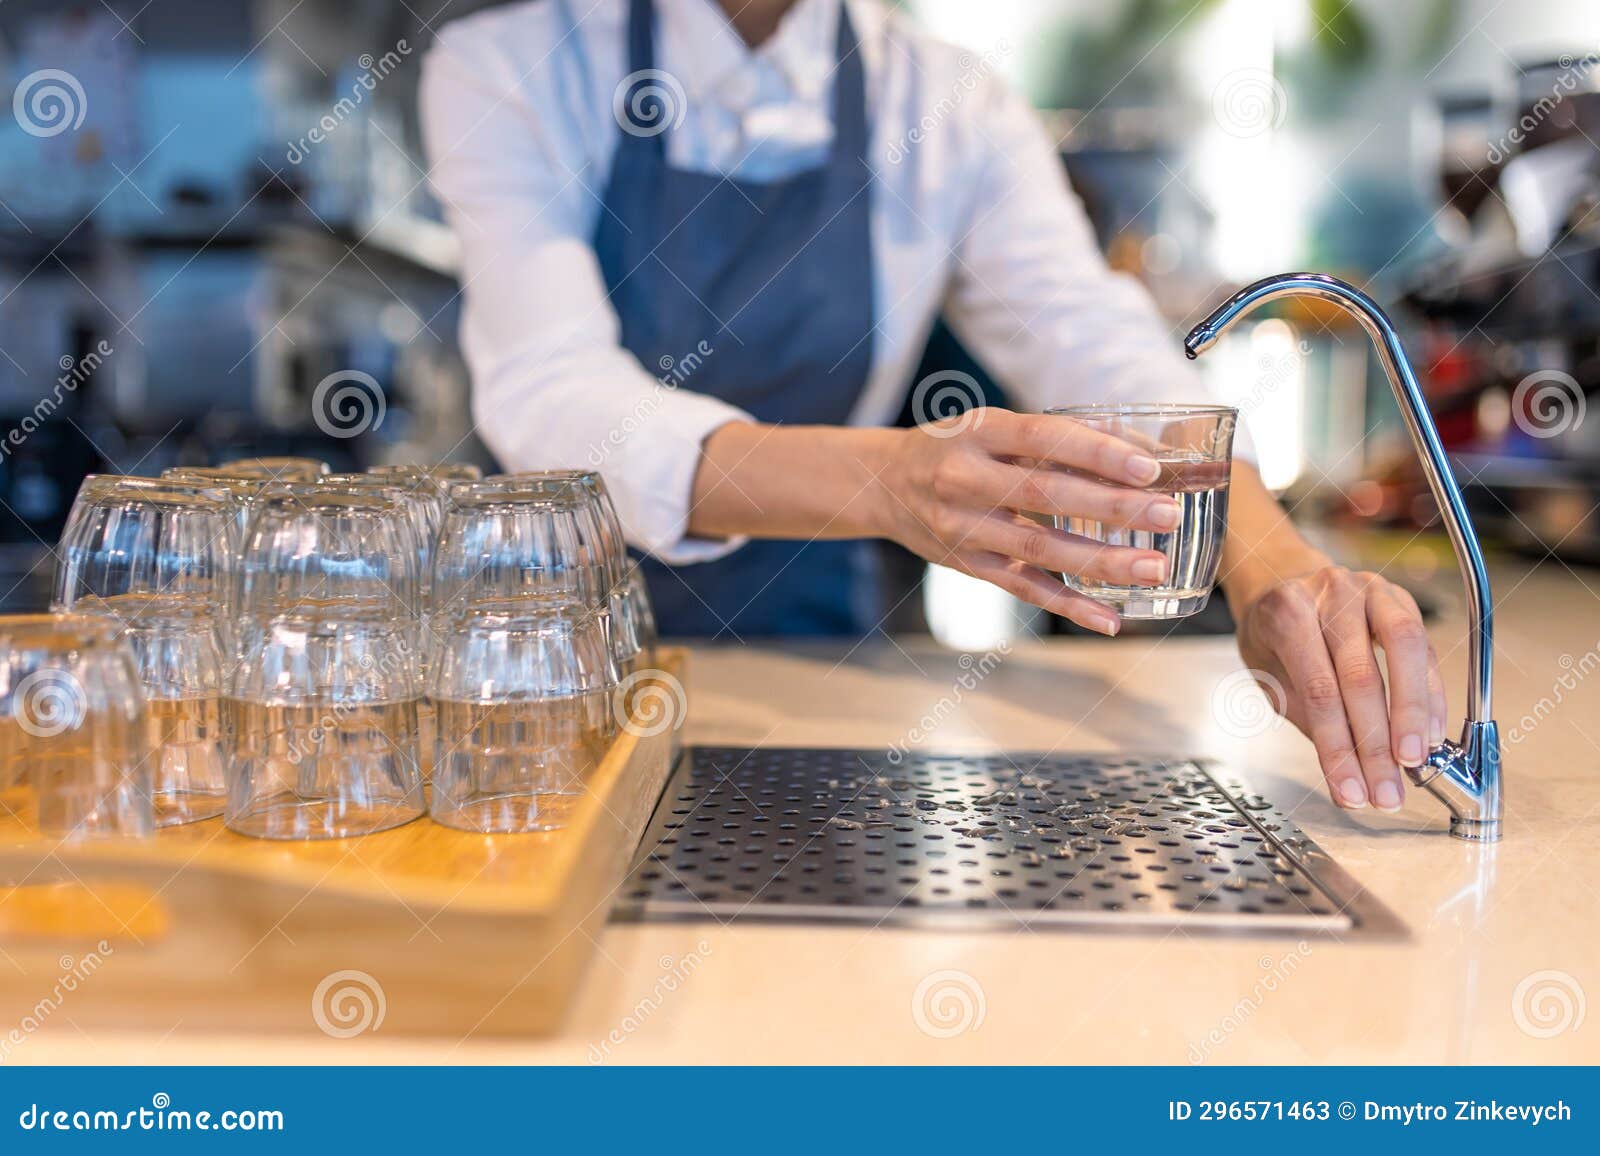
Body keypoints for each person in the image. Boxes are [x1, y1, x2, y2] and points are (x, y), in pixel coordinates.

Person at [420, 0, 1446, 815]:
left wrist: (1266, 562)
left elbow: (1087, 337)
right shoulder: (507, 65)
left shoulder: (946, 101)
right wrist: (889, 478)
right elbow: (552, 392)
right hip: (545, 659)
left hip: (814, 658)